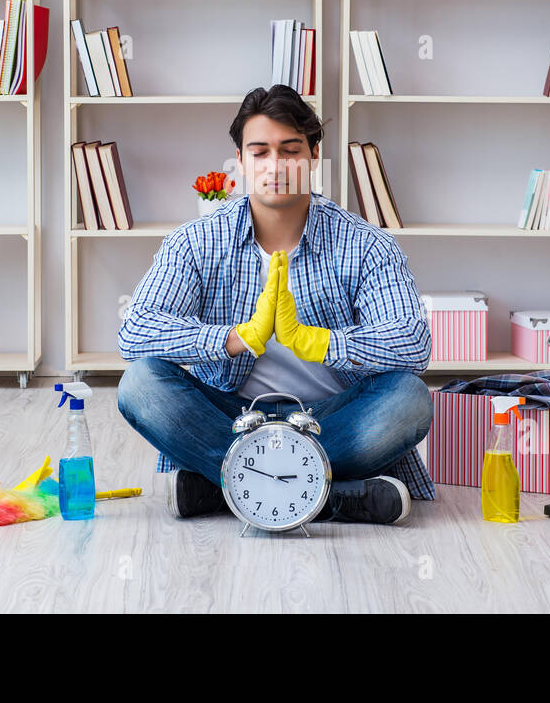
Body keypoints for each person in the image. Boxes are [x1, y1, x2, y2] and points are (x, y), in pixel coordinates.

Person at [117, 84, 436, 525]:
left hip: (329, 419)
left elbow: (412, 343)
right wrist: (232, 338)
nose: (276, 166)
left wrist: (318, 343)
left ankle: (222, 486)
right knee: (140, 383)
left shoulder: (366, 243)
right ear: (242, 160)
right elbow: (135, 332)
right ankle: (333, 497)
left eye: (290, 150)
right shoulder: (197, 241)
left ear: (313, 155)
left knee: (409, 398)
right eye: (260, 152)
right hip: (232, 417)